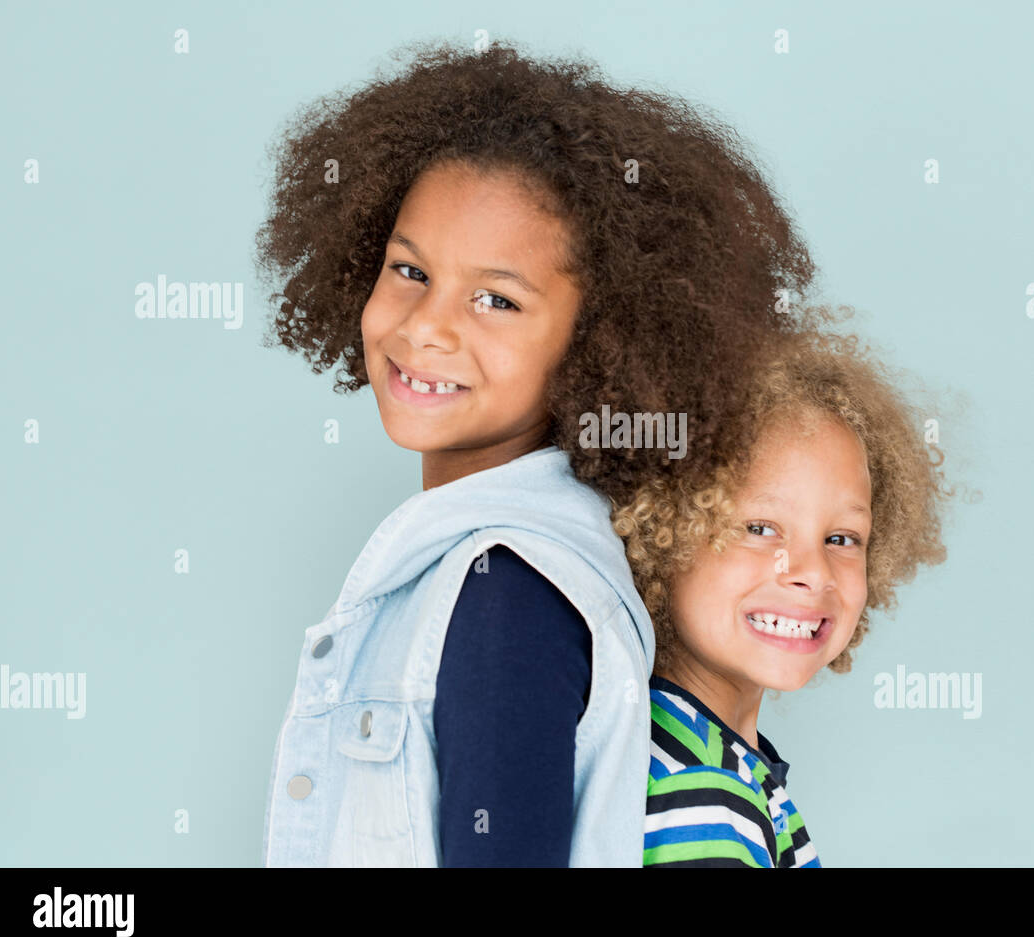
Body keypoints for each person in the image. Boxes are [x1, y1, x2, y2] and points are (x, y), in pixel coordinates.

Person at [255, 38, 817, 866]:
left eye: (497, 298)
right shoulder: (486, 568)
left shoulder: (507, 592)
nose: (428, 325)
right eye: (409, 270)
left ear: (600, 341)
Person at [613, 325, 961, 866]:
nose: (812, 571)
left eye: (841, 539)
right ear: (661, 531)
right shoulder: (703, 793)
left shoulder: (712, 759)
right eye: (759, 527)